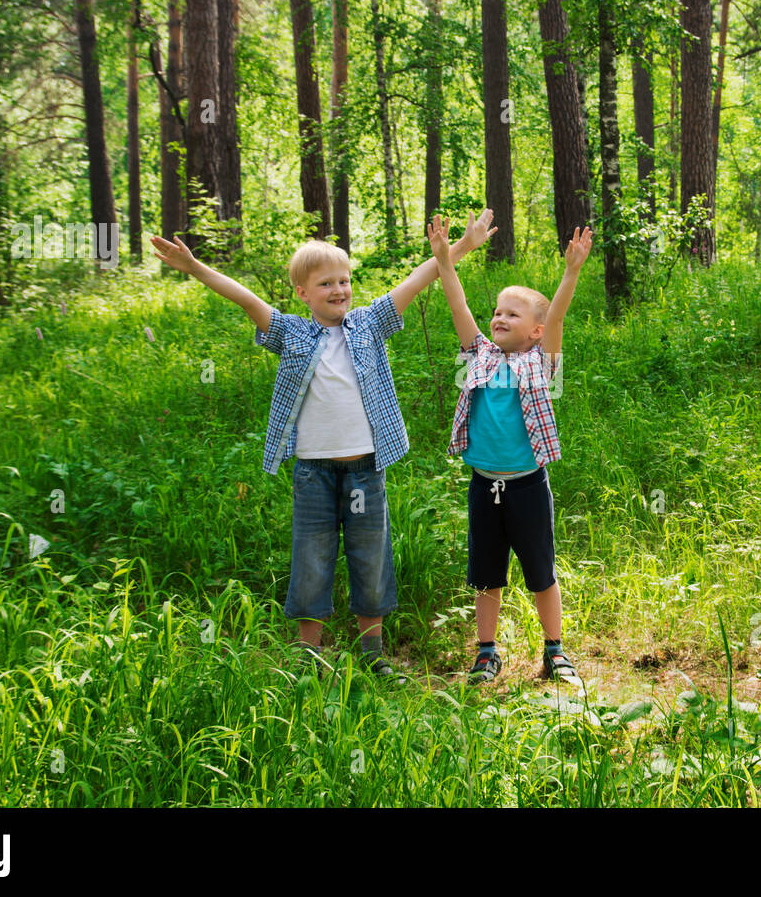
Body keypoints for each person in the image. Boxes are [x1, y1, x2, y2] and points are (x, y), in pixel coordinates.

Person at [150, 212, 495, 679]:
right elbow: (245, 299)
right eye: (326, 283)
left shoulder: (370, 324)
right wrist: (197, 269)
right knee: (311, 560)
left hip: (365, 470)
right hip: (313, 473)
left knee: (370, 558)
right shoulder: (292, 333)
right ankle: (308, 658)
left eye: (344, 280)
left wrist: (462, 248)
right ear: (302, 293)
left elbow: (419, 278)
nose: (339, 290)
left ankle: (372, 655)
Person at [426, 215, 592, 684]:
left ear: (536, 331)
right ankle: (485, 651)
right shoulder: (477, 353)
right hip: (484, 486)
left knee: (541, 570)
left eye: (512, 314)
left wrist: (572, 272)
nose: (499, 318)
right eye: (498, 311)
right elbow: (458, 307)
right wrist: (445, 261)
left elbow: (557, 314)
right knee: (486, 575)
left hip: (527, 487)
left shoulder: (543, 362)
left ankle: (555, 651)